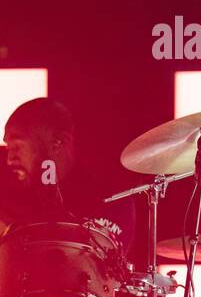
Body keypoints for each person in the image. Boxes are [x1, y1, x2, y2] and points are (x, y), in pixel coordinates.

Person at [1, 97, 135, 248]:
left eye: (17, 146)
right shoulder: (12, 196)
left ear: (58, 143)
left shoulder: (111, 197)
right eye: (8, 147)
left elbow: (96, 263)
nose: (9, 160)